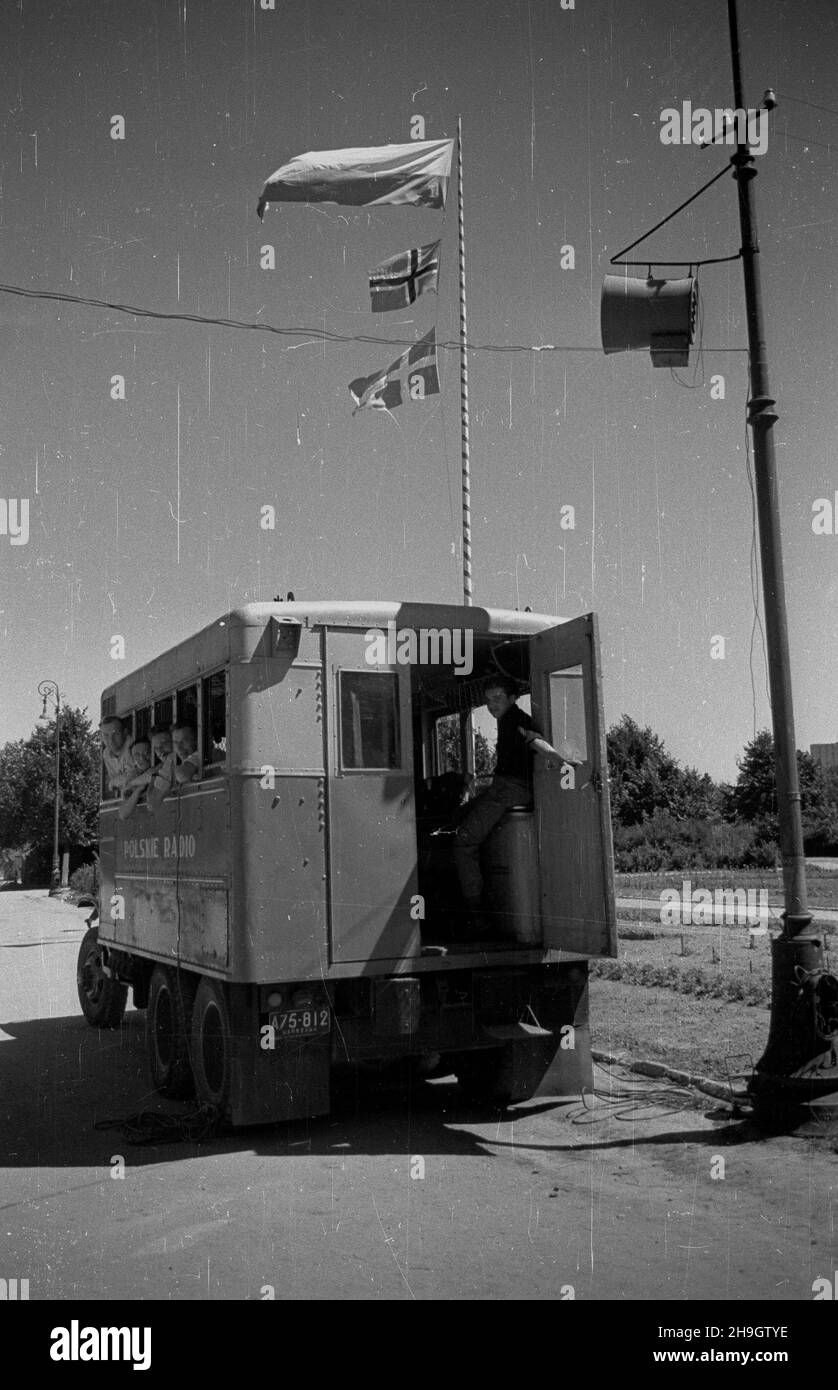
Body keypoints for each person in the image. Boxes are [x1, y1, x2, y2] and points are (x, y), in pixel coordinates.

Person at [453, 676, 582, 937]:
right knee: (460, 814)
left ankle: (476, 914)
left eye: (498, 698)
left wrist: (561, 762)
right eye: (488, 700)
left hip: (509, 790)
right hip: (503, 788)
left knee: (462, 842)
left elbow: (534, 741)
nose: (492, 704)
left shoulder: (514, 719)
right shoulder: (506, 719)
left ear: (513, 699)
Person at [148, 723, 199, 810]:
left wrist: (169, 762)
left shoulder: (174, 759)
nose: (160, 752)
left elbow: (182, 775)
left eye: (164, 743)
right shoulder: (167, 763)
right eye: (156, 748)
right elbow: (152, 802)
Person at [117, 737, 154, 821]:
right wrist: (138, 790)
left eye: (147, 753)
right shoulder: (133, 775)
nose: (142, 758)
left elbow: (151, 775)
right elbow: (123, 814)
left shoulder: (159, 765)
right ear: (133, 760)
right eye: (137, 755)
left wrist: (132, 783)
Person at [100, 716, 135, 798]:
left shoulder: (133, 747)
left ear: (125, 732)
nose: (111, 740)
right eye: (106, 735)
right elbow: (115, 784)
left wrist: (114, 782)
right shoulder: (106, 754)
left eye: (115, 734)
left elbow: (133, 778)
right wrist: (116, 782)